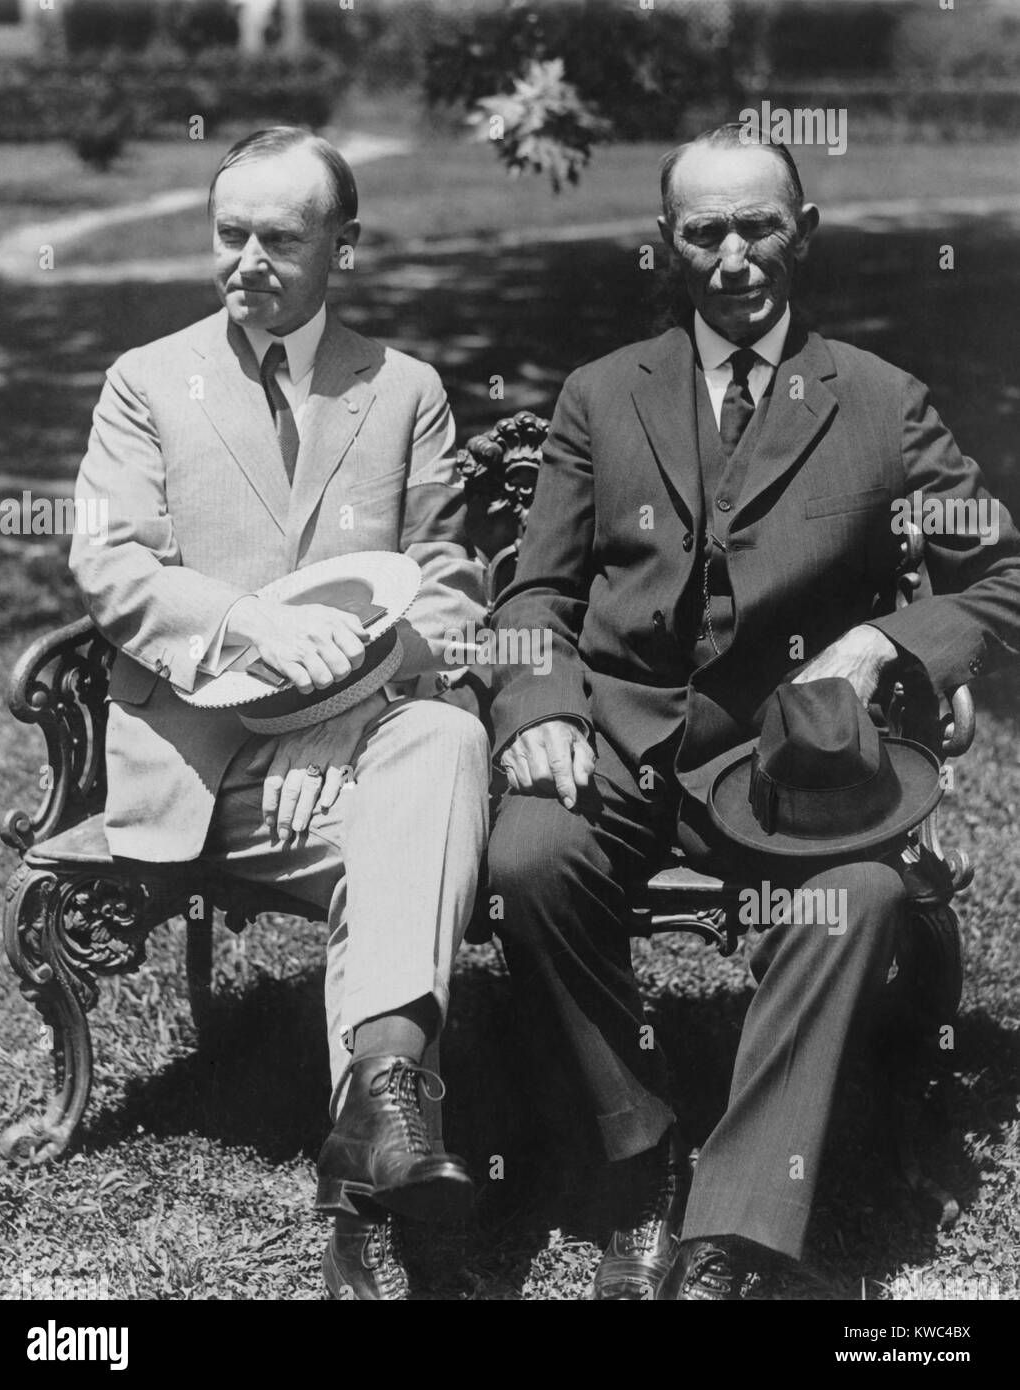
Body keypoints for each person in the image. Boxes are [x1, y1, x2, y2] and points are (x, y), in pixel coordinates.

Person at [486, 123, 1020, 1300]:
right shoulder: (599, 395)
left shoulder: (881, 402)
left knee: (855, 895)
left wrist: (885, 639)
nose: (733, 256)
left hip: (794, 774)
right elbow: (534, 588)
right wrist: (537, 704)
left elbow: (999, 575)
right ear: (665, 247)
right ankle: (634, 1156)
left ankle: (727, 1231)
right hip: (620, 748)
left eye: (758, 226)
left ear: (803, 236)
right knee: (526, 855)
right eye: (704, 231)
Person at [69, 127, 490, 1301]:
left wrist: (351, 715)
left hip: (363, 749)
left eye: (281, 238)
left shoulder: (402, 389)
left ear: (342, 249)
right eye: (229, 233)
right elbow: (116, 570)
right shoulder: (147, 383)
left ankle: (374, 1144)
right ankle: (392, 1129)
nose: (247, 260)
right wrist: (252, 625)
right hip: (210, 768)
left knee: (442, 735)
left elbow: (449, 585)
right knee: (426, 794)